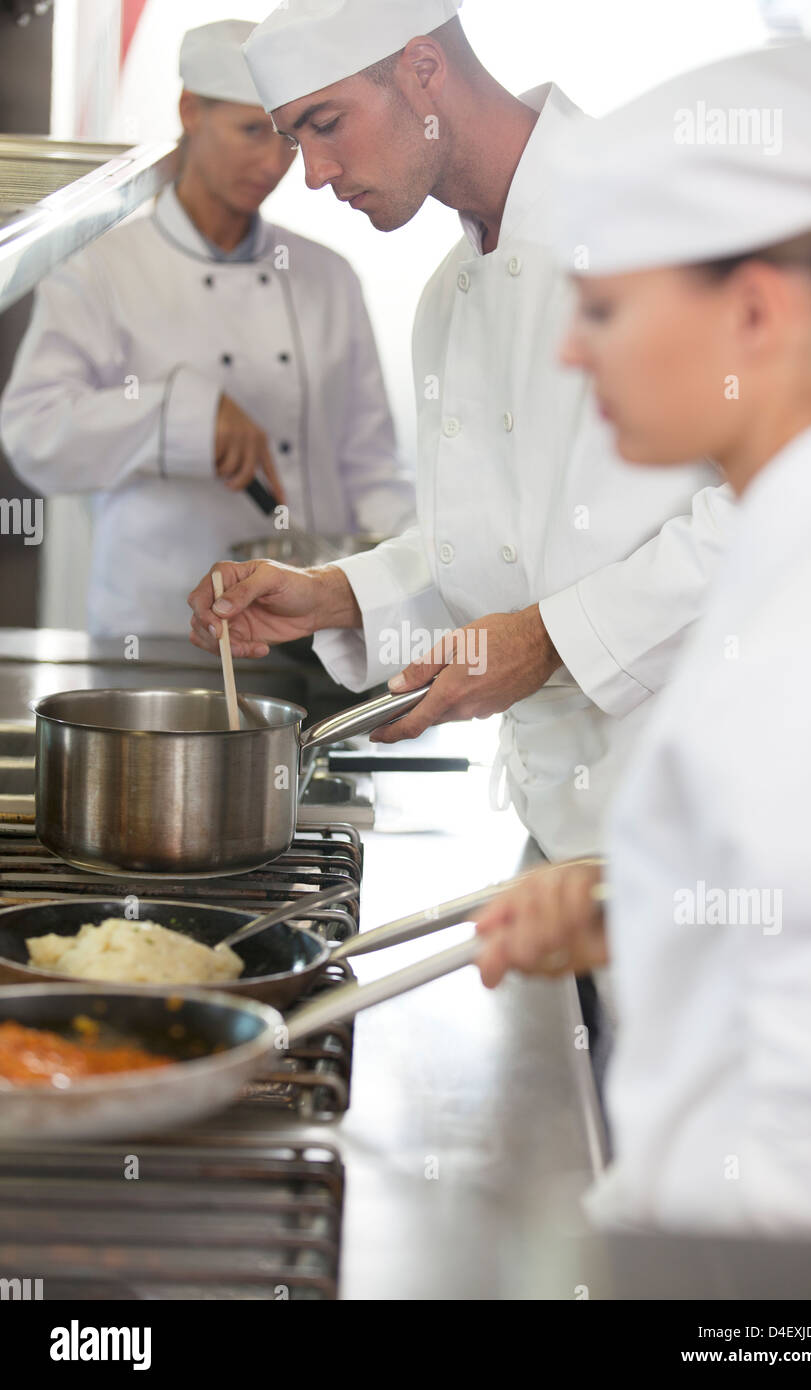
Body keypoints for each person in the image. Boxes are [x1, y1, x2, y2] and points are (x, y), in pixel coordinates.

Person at [186, 0, 735, 870]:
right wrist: (336, 594)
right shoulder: (449, 295)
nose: (316, 174)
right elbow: (497, 550)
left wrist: (552, 637)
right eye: (296, 140)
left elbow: (802, 502)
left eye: (325, 124)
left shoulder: (669, 221)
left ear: (422, 68)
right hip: (562, 840)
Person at [472, 28, 811, 1235]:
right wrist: (628, 906)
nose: (568, 347)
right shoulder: (792, 515)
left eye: (602, 305)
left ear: (751, 313)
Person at [0, 19, 414, 638]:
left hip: (315, 633)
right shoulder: (100, 267)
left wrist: (407, 591)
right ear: (190, 111)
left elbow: (371, 464)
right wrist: (186, 416)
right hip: (159, 631)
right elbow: (33, 434)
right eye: (251, 132)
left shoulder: (328, 276)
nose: (272, 163)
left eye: (287, 139)